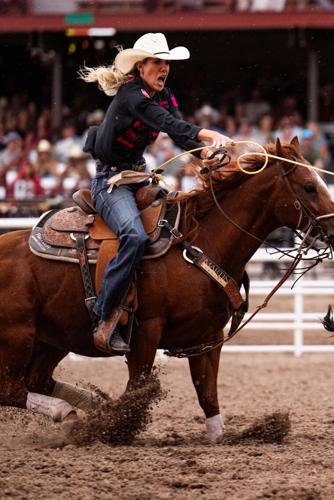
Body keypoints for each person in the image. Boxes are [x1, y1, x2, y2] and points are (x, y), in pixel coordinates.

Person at [80, 32, 233, 353]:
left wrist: (202, 153)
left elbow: (177, 129)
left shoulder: (164, 96)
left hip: (137, 176)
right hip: (111, 181)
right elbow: (166, 122)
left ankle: (170, 312)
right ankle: (104, 313)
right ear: (141, 66)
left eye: (166, 63)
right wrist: (209, 135)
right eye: (157, 62)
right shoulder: (131, 95)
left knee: (181, 227)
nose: (164, 68)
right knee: (134, 236)